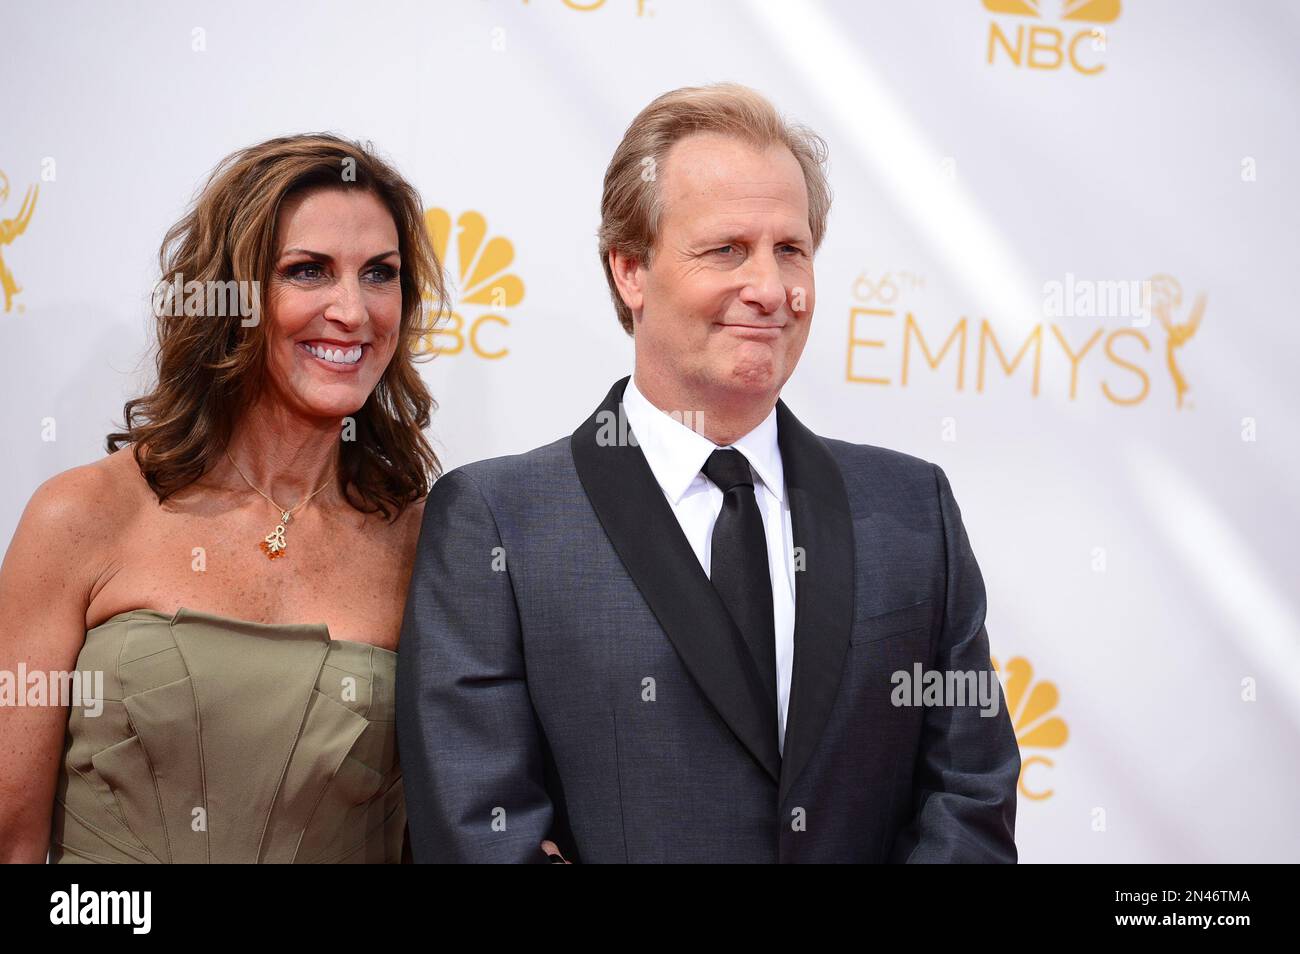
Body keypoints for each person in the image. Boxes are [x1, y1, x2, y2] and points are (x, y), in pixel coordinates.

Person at [397, 83, 1021, 863]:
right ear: (630, 271)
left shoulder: (910, 509)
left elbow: (970, 795)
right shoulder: (499, 522)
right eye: (727, 249)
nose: (769, 289)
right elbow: (477, 828)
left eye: (790, 249)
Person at [0, 133, 442, 863]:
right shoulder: (80, 517)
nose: (353, 311)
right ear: (231, 297)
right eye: (308, 271)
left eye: (379, 275)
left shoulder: (427, 545)